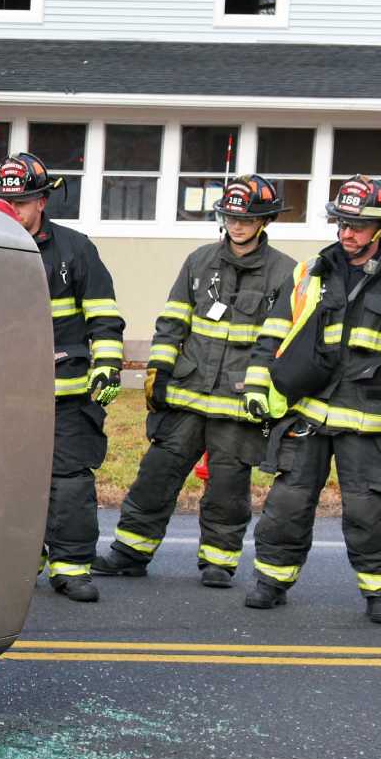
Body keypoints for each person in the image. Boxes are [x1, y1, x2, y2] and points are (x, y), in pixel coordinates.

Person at [241, 175, 381, 623]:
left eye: (357, 225)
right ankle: (271, 581)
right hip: (311, 410)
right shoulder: (309, 273)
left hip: (369, 416)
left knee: (368, 508)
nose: (346, 233)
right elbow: (272, 337)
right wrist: (258, 387)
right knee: (288, 502)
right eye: (341, 223)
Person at [94, 175, 294, 587]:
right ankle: (130, 551)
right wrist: (160, 375)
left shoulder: (285, 273)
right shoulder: (199, 261)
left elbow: (279, 343)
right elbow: (172, 323)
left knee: (228, 486)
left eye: (246, 218)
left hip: (237, 403)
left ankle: (218, 562)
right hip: (186, 395)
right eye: (231, 216)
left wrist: (262, 394)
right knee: (156, 476)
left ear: (265, 221)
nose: (237, 225)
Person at [0, 152, 124, 603]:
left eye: (23, 202)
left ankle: (72, 567)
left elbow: (104, 315)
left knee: (69, 482)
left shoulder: (75, 249)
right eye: (7, 202)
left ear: (42, 201)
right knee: (9, 483)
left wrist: (107, 365)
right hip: (7, 397)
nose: (14, 210)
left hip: (68, 394)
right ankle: (19, 563)